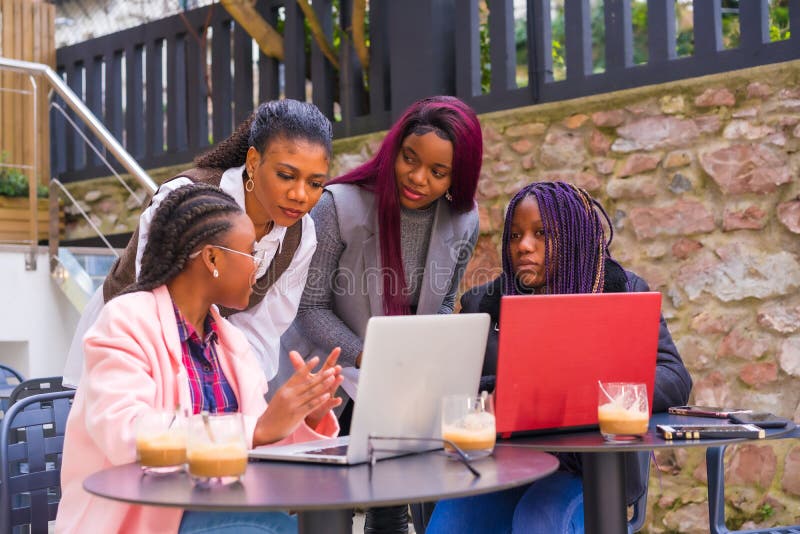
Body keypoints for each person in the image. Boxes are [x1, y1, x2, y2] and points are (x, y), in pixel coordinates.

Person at [56, 184, 343, 534]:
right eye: (251, 253)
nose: (259, 266)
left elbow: (255, 447)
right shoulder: (124, 322)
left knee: (295, 525)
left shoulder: (230, 342)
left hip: (223, 512)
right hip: (136, 520)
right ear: (212, 258)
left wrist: (304, 416)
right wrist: (258, 428)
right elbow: (129, 435)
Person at [425, 181, 693, 534]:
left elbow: (675, 377)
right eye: (515, 235)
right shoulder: (483, 305)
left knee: (540, 519)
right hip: (507, 464)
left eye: (541, 234)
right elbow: (455, 387)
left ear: (573, 237)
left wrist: (590, 393)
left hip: (591, 471)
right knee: (449, 523)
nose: (523, 246)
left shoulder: (622, 292)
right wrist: (499, 395)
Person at [280, 96, 484, 533]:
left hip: (402, 378)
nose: (417, 177)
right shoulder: (338, 206)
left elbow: (446, 299)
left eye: (437, 172)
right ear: (394, 149)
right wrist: (372, 358)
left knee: (395, 501)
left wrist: (422, 355)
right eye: (409, 159)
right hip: (331, 369)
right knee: (327, 503)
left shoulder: (463, 220)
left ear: (457, 177)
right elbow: (309, 308)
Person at [62, 99, 332, 386]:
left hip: (210, 371)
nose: (300, 195)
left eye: (315, 184)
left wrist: (233, 385)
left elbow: (262, 328)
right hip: (130, 347)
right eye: (286, 176)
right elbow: (152, 298)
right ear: (253, 162)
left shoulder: (300, 236)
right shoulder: (185, 198)